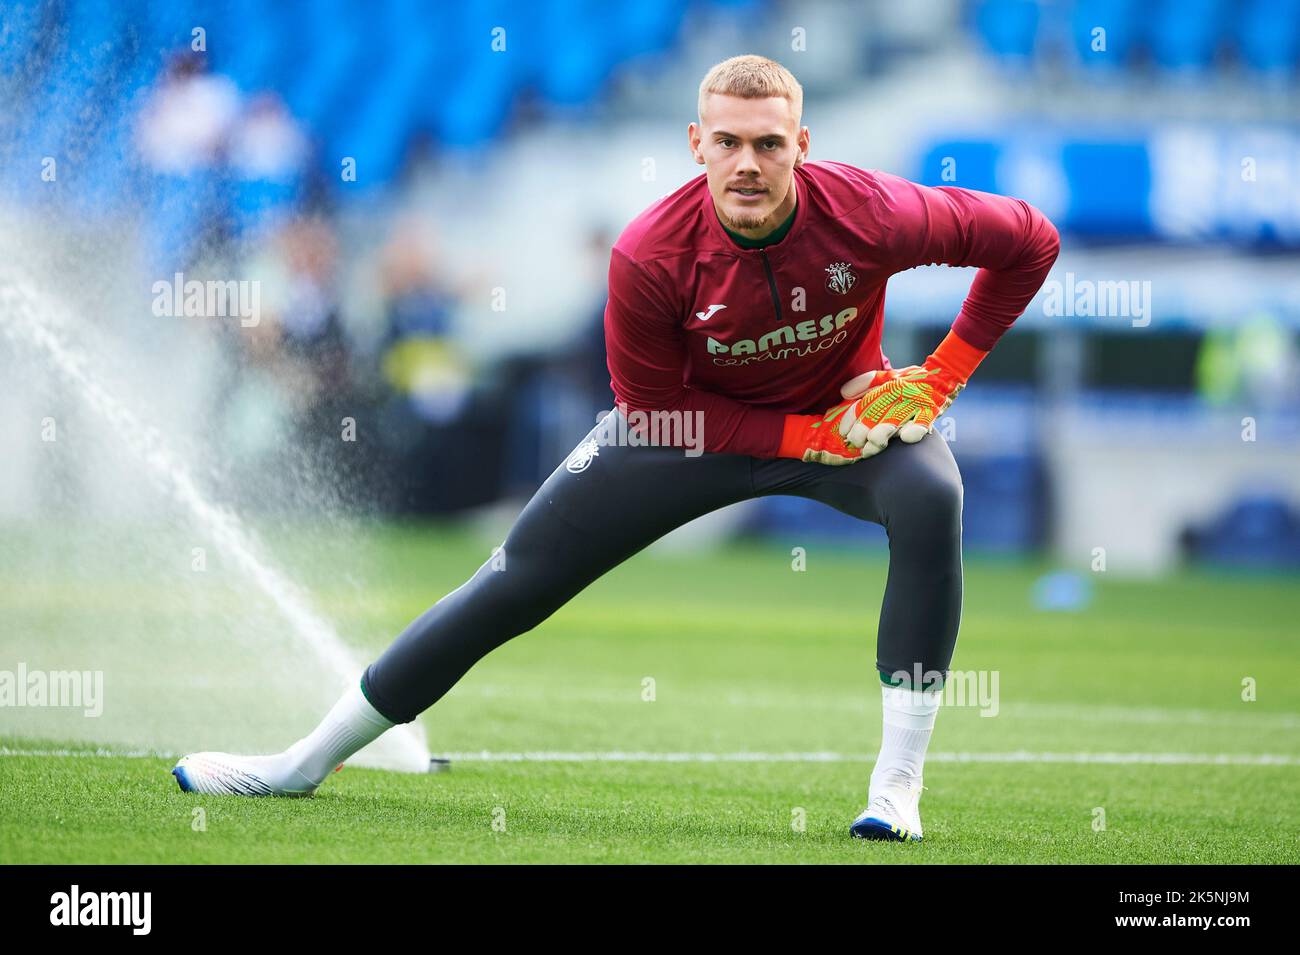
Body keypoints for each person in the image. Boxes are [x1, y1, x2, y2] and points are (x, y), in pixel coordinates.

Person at [173, 54, 1059, 842]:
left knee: (933, 497)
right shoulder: (648, 253)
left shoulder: (874, 211)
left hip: (845, 416)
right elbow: (651, 408)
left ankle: (896, 790)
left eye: (769, 144)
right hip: (689, 432)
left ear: (802, 144)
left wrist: (941, 378)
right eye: (727, 142)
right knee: (513, 582)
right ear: (695, 144)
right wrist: (798, 435)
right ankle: (302, 760)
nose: (748, 163)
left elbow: (1027, 239)